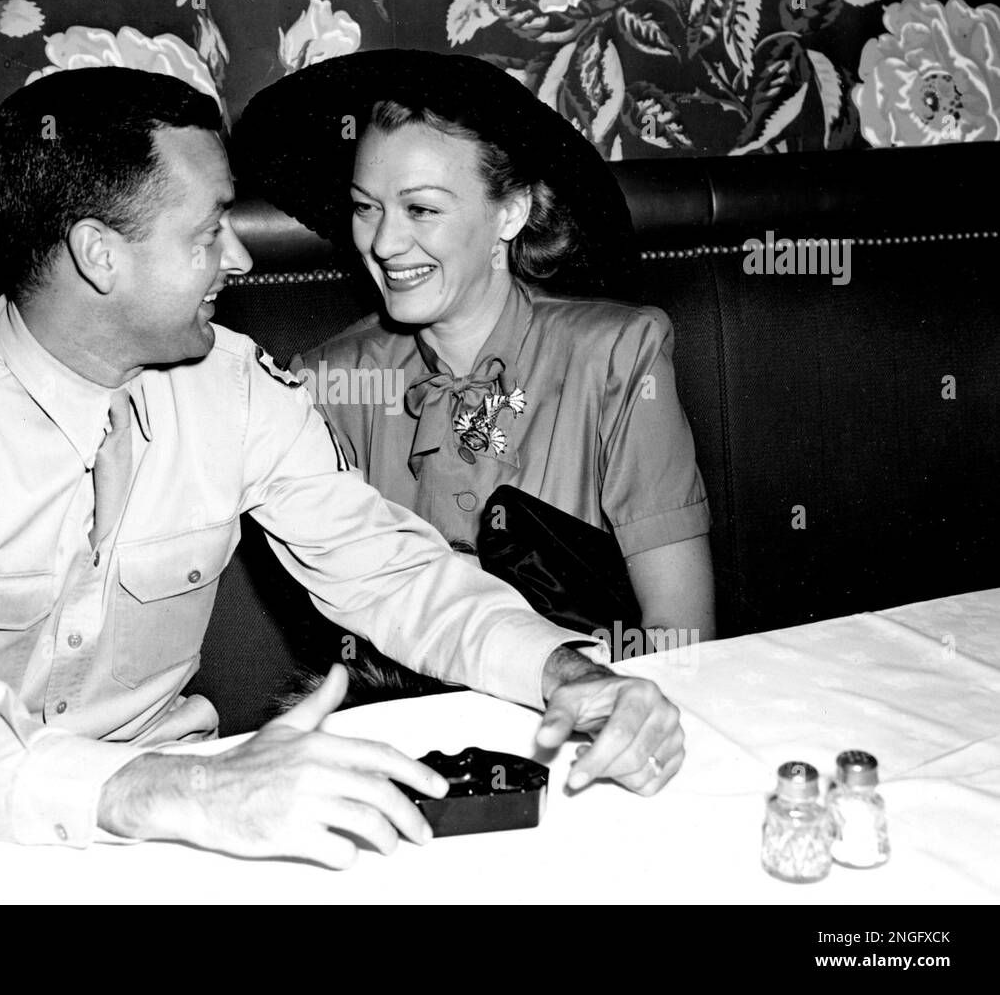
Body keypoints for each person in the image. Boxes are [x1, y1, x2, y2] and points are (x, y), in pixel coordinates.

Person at [0, 67, 685, 905]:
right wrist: (185, 792)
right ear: (99, 255)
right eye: (207, 231)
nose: (239, 257)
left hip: (173, 835)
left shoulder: (234, 386)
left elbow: (389, 573)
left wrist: (566, 669)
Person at [232, 50, 714, 697]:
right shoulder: (325, 383)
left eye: (422, 209)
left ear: (509, 215)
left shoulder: (617, 357)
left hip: (595, 724)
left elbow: (680, 638)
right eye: (366, 207)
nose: (384, 243)